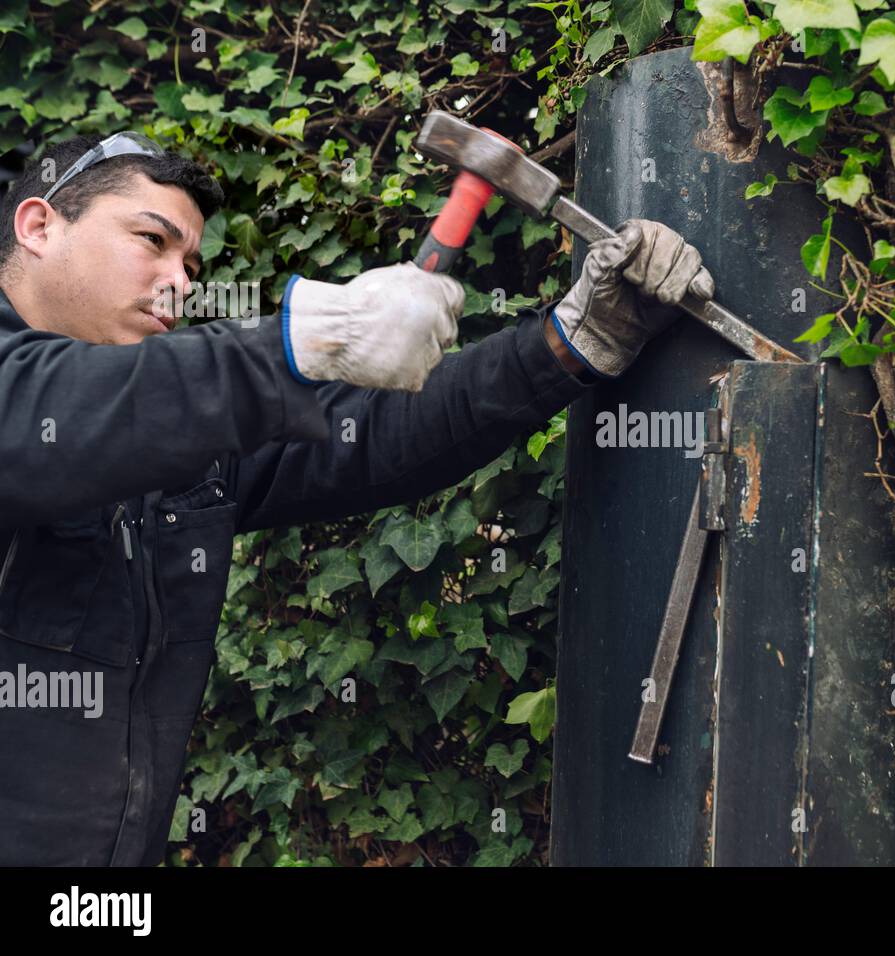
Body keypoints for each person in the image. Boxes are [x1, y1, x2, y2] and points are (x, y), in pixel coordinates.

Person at [0, 130, 715, 866]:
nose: (181, 282)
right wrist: (313, 335)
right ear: (40, 225)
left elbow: (371, 438)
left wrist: (570, 344)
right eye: (153, 239)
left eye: (190, 261)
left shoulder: (173, 434)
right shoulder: (61, 401)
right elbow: (46, 420)